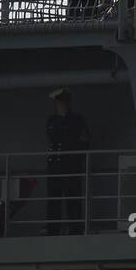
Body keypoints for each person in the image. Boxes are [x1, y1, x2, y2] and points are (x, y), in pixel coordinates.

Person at [45, 89, 90, 235]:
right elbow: (53, 136)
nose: (61, 104)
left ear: (68, 102)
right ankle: (53, 229)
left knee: (73, 200)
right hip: (55, 166)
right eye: (58, 102)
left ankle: (76, 229)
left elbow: (84, 141)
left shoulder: (77, 120)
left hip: (71, 165)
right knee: (53, 200)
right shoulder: (52, 120)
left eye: (63, 101)